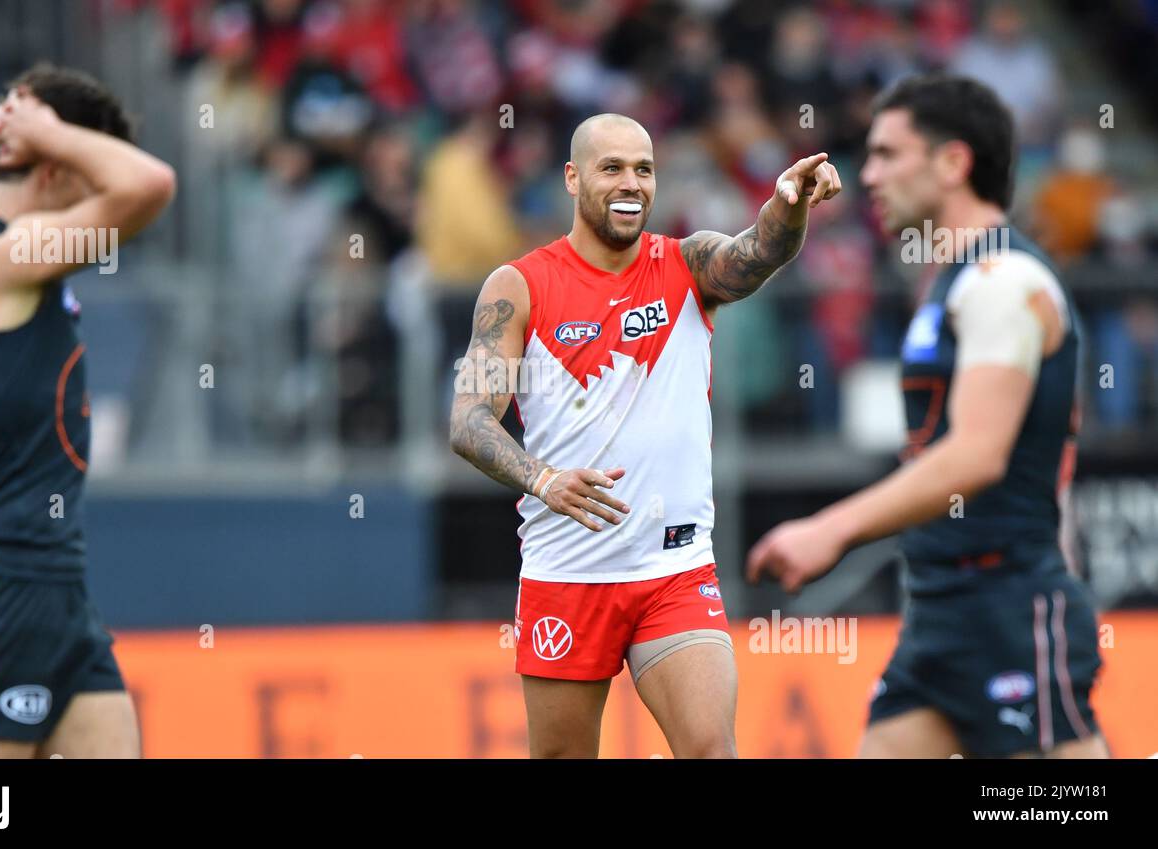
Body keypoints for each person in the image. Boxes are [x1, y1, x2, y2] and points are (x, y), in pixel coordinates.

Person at [449, 112, 840, 758]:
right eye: (612, 168)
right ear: (573, 179)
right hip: (568, 571)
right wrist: (542, 478)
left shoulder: (686, 264)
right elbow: (467, 420)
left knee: (712, 748)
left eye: (644, 169)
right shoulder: (518, 287)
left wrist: (788, 208)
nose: (631, 183)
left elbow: (759, 252)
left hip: (675, 568)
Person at [747, 74, 1107, 759]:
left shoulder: (1004, 284)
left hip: (1010, 603)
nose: (868, 174)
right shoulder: (950, 281)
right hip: (945, 607)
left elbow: (976, 455)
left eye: (887, 154)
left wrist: (832, 527)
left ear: (952, 162)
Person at [0, 64, 175, 758]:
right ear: (56, 170)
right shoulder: (2, 257)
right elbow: (149, 187)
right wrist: (52, 132)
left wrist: (49, 135)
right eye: (84, 186)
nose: (94, 216)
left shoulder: (3, 260)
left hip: (56, 588)